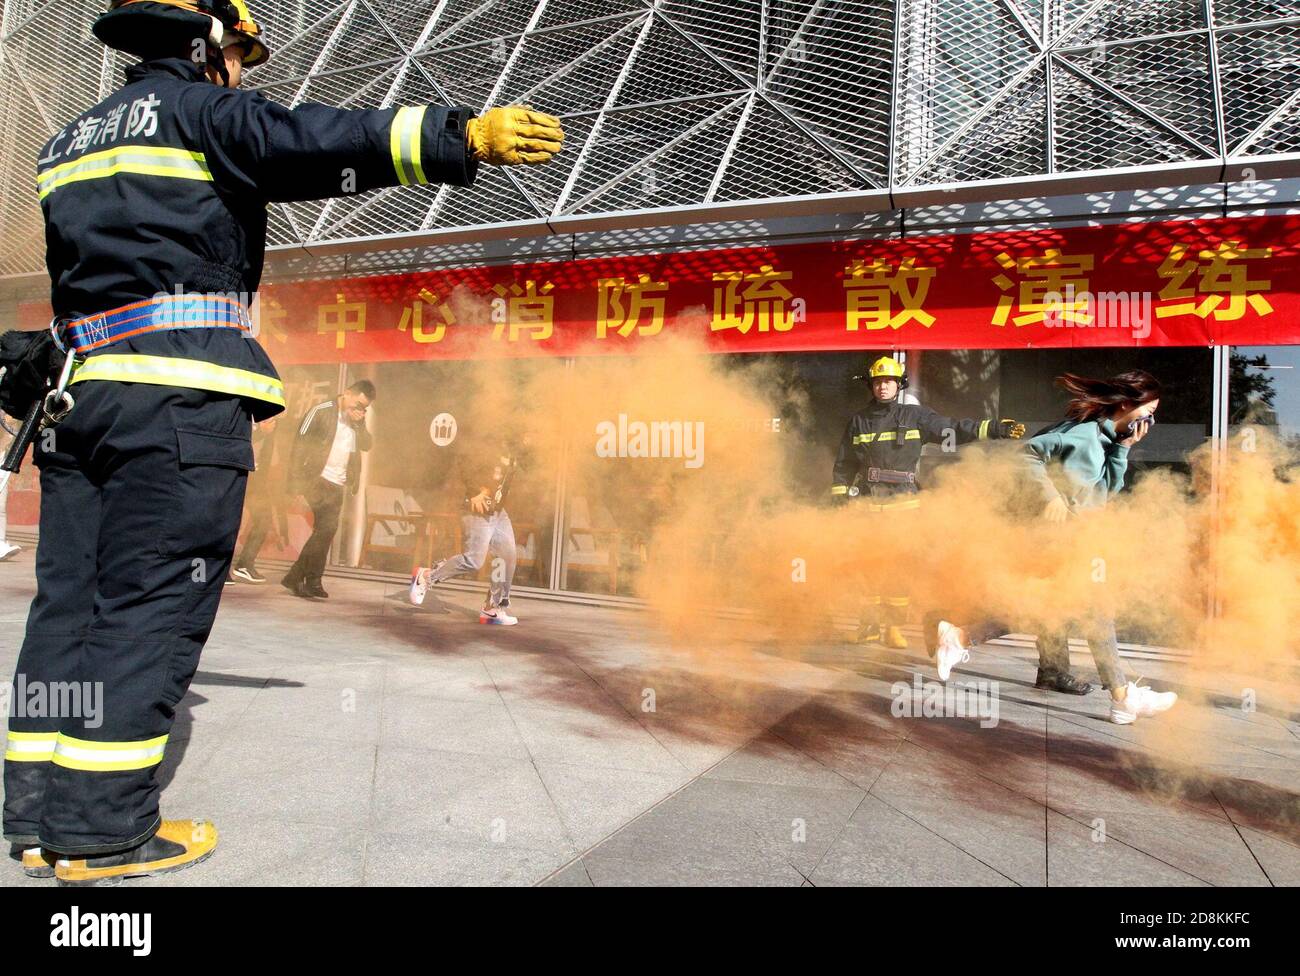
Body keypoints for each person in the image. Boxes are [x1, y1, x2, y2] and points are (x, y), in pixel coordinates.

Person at [3, 0, 564, 886]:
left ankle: (34, 812)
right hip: (178, 404)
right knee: (149, 606)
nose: (242, 72)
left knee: (68, 606)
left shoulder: (66, 142)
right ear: (206, 47)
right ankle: (100, 830)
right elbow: (317, 140)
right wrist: (463, 138)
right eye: (239, 55)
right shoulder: (201, 111)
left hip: (82, 405)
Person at [932, 370, 1179, 726]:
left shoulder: (1108, 442)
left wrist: (1123, 450)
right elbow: (1026, 454)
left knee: (1049, 608)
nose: (1150, 421)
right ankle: (1123, 699)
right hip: (1054, 538)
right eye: (1149, 412)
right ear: (1127, 404)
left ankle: (959, 636)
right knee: (1096, 612)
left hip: (1076, 538)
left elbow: (1105, 493)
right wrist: (1051, 498)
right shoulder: (1082, 434)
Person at [831, 355, 1023, 649]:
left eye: (889, 382)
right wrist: (840, 494)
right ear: (871, 386)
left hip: (903, 504)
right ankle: (869, 625)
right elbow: (844, 463)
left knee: (898, 568)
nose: (883, 387)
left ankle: (893, 627)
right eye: (878, 382)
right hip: (867, 505)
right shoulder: (858, 421)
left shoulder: (915, 417)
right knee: (867, 566)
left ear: (899, 385)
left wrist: (994, 429)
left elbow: (955, 428)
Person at [409, 435, 522, 625]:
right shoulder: (487, 437)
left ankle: (492, 609)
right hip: (477, 509)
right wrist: (475, 490)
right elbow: (465, 460)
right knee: (474, 560)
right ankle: (426, 577)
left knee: (507, 555)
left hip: (497, 511)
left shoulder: (513, 451)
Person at [280, 381, 375, 598]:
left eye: (364, 407)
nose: (359, 409)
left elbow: (367, 445)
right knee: (326, 528)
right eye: (358, 403)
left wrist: (360, 424)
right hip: (316, 478)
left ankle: (310, 580)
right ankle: (298, 576)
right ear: (348, 393)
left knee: (326, 531)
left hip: (338, 482)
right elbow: (299, 445)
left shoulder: (357, 420)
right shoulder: (321, 411)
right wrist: (293, 484)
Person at [228, 413, 281, 583]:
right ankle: (220, 570)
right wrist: (261, 432)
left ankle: (245, 564)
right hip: (236, 474)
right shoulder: (242, 417)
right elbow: (234, 443)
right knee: (229, 522)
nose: (272, 423)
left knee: (264, 519)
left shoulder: (270, 425)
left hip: (255, 478)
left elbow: (267, 457)